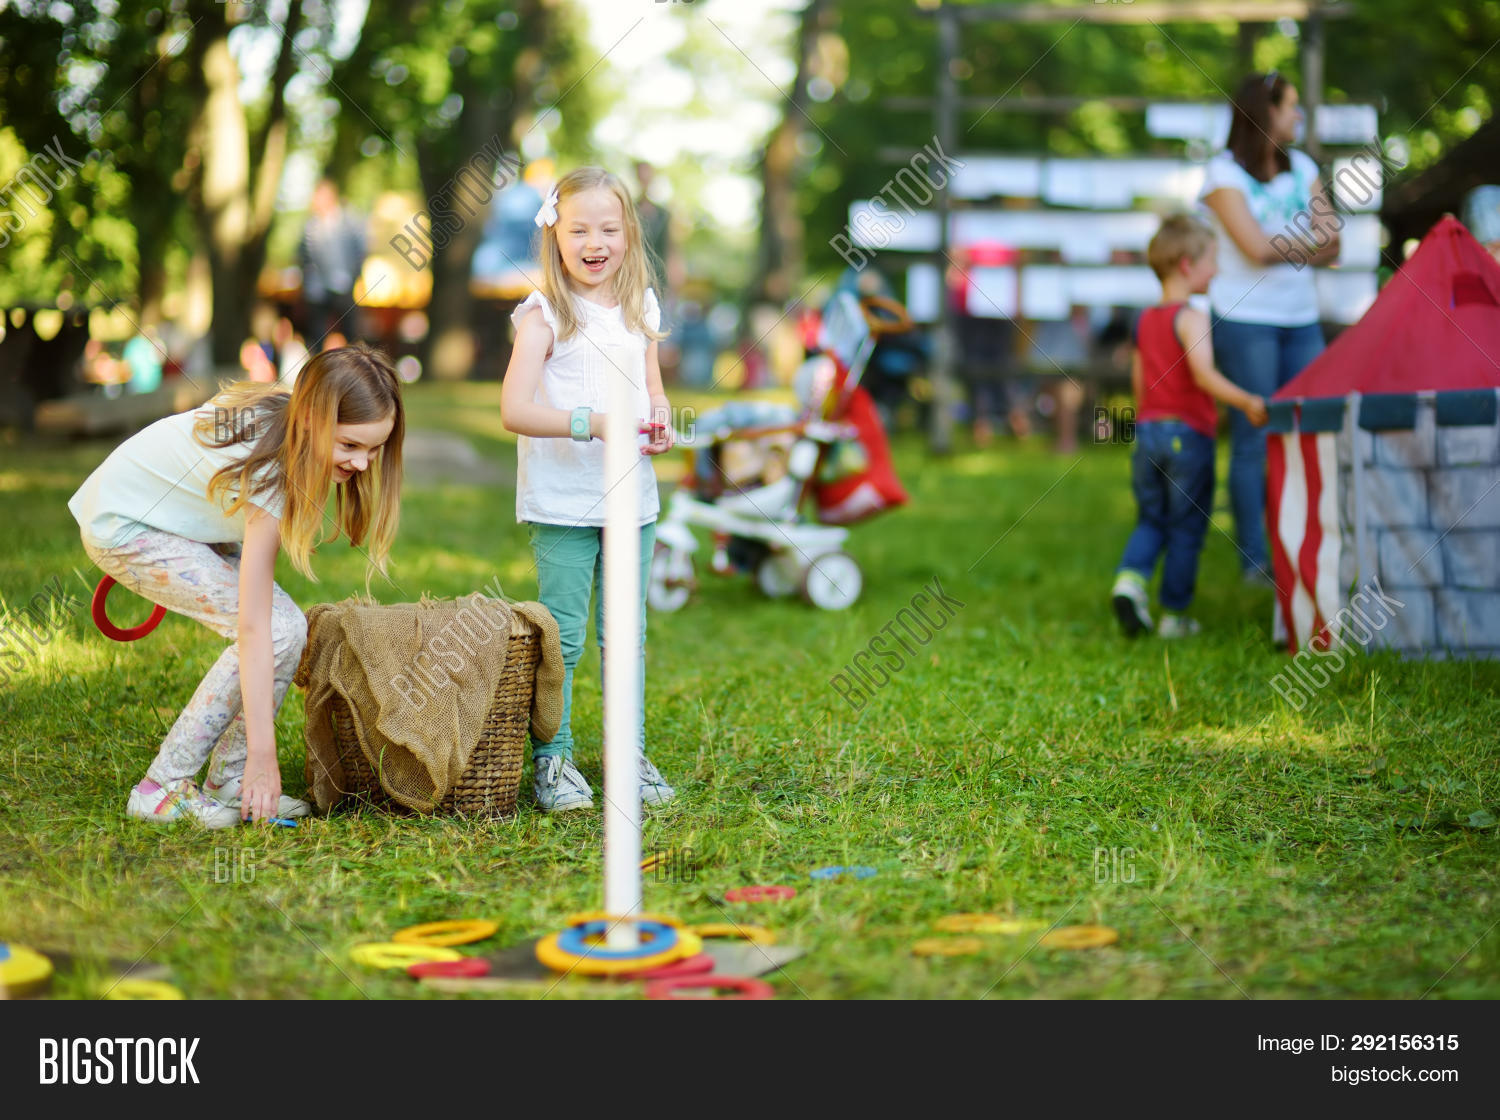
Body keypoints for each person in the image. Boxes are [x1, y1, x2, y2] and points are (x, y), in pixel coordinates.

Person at [68, 345, 405, 826]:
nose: (363, 465)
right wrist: (264, 758)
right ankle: (160, 787)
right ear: (310, 418)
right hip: (125, 525)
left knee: (286, 628)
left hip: (179, 522)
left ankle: (229, 782)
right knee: (273, 631)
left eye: (375, 449)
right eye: (350, 445)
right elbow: (251, 628)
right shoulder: (270, 468)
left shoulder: (287, 428)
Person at [500, 166, 677, 812]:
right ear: (555, 235)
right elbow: (514, 409)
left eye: (608, 228)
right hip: (564, 504)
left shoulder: (641, 307)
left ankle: (626, 752)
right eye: (579, 229)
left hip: (633, 502)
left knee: (625, 635)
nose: (593, 242)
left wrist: (657, 421)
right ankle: (555, 758)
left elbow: (653, 388)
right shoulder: (544, 313)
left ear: (629, 233)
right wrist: (595, 424)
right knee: (566, 638)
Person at [1199, 72, 1337, 584]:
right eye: (1290, 107)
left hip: (1300, 321)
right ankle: (1254, 560)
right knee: (1254, 436)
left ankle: (1306, 544)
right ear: (1265, 113)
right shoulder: (1221, 175)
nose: (1298, 116)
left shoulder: (1302, 166)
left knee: (1309, 429)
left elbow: (1334, 244)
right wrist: (1306, 246)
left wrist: (1278, 245)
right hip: (1244, 320)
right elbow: (1254, 249)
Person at [1110, 215, 1268, 639]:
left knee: (1150, 519)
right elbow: (1202, 376)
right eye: (1212, 260)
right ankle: (1175, 617)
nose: (1215, 270)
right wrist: (1247, 401)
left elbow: (1139, 384)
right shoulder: (1192, 316)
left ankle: (1130, 580)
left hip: (1148, 434)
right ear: (1186, 265)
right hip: (1188, 437)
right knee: (1186, 528)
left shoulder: (1144, 320)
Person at [299, 179, 367, 347]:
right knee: (317, 333)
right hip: (318, 289)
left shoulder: (348, 222)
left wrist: (353, 276)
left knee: (351, 329)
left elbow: (360, 250)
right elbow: (303, 255)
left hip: (343, 285)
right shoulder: (310, 226)